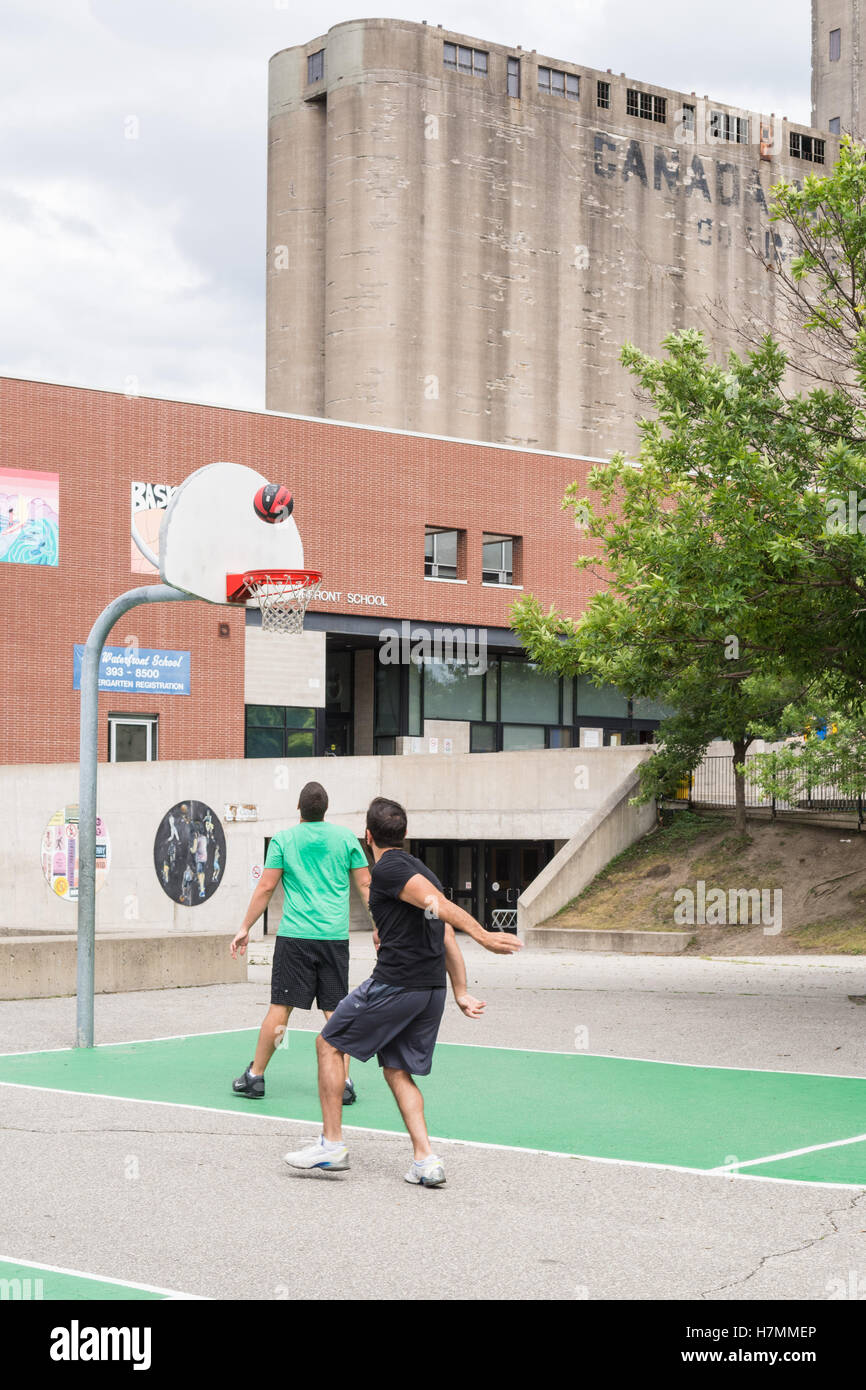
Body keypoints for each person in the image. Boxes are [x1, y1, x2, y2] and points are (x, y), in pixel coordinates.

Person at [284, 796, 523, 1186]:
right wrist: (459, 989)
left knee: (328, 1044)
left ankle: (331, 1145)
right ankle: (426, 1160)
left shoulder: (391, 868)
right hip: (430, 990)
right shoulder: (417, 868)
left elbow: (438, 907)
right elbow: (440, 928)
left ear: (367, 836)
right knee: (396, 1070)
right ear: (405, 833)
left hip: (398, 984)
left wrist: (482, 935)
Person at [230, 781, 371, 1105]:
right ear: (325, 809)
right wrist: (380, 928)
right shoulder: (346, 838)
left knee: (281, 1007)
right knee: (336, 1012)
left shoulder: (283, 839)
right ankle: (344, 1083)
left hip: (295, 938)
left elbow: (266, 888)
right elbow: (365, 884)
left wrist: (245, 927)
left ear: (299, 808)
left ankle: (255, 1077)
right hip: (334, 938)